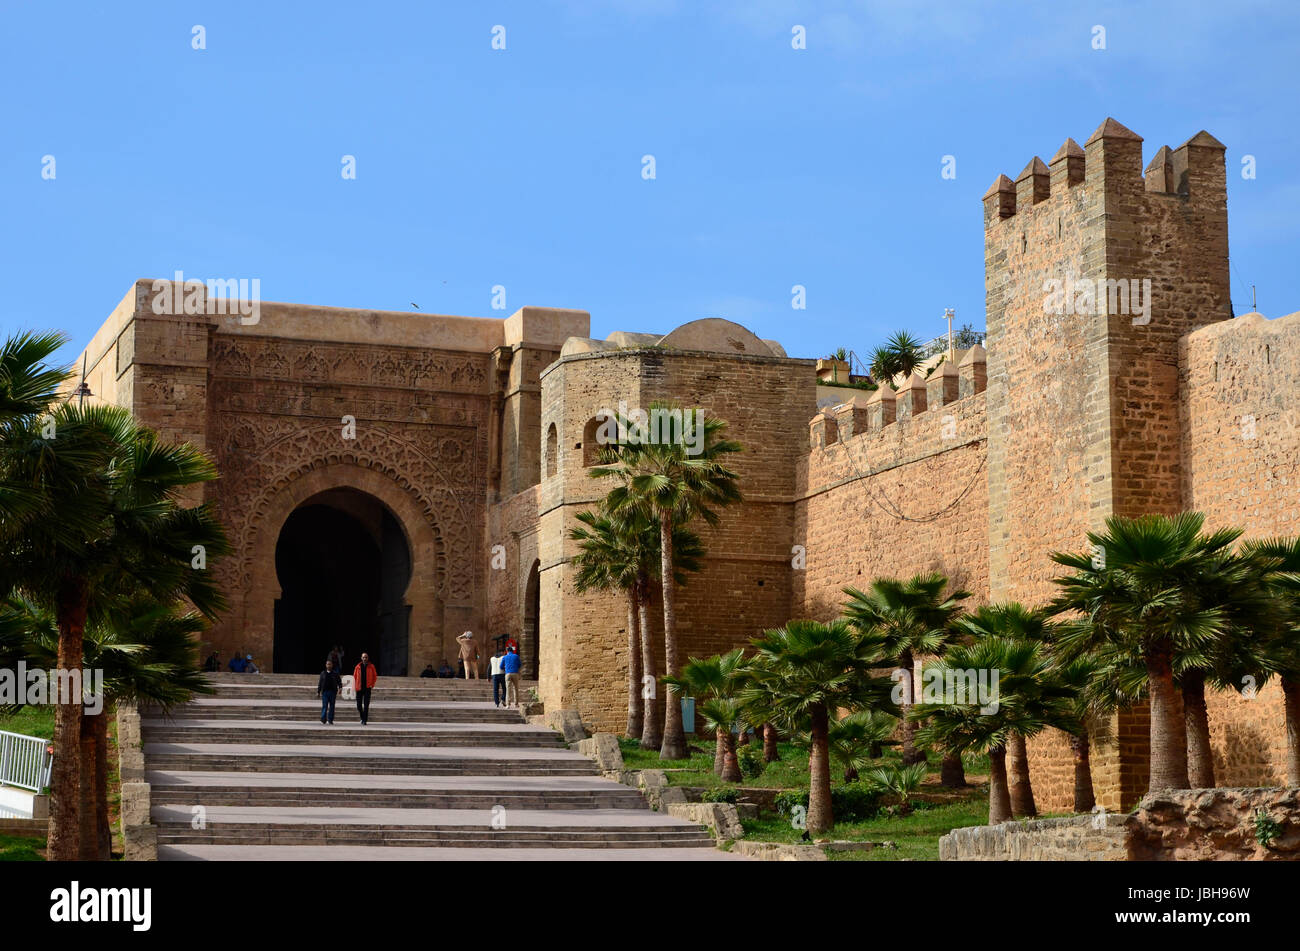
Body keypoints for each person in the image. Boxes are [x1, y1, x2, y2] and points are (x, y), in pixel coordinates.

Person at [353, 652, 377, 724]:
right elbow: (355, 677)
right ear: (361, 658)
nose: (365, 659)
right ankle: (362, 717)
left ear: (368, 658)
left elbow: (374, 676)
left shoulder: (371, 666)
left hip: (367, 688)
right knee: (358, 706)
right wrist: (355, 686)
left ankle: (364, 720)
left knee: (366, 705)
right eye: (363, 657)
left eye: (366, 657)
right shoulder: (357, 667)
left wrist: (371, 685)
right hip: (359, 688)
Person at [317, 658, 341, 724]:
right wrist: (318, 692)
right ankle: (323, 719)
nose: (329, 665)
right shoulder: (323, 673)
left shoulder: (335, 673)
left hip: (333, 692)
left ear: (332, 665)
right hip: (325, 692)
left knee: (332, 706)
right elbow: (320, 683)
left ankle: (330, 719)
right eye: (328, 664)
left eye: (330, 664)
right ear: (326, 665)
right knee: (325, 706)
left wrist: (340, 688)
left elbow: (339, 682)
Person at [501, 644, 522, 708]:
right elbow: (520, 665)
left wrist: (506, 667)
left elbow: (501, 666)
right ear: (512, 651)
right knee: (515, 689)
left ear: (507, 651)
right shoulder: (516, 656)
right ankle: (516, 704)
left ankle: (508, 704)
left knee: (508, 689)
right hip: (515, 673)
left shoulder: (504, 657)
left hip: (508, 674)